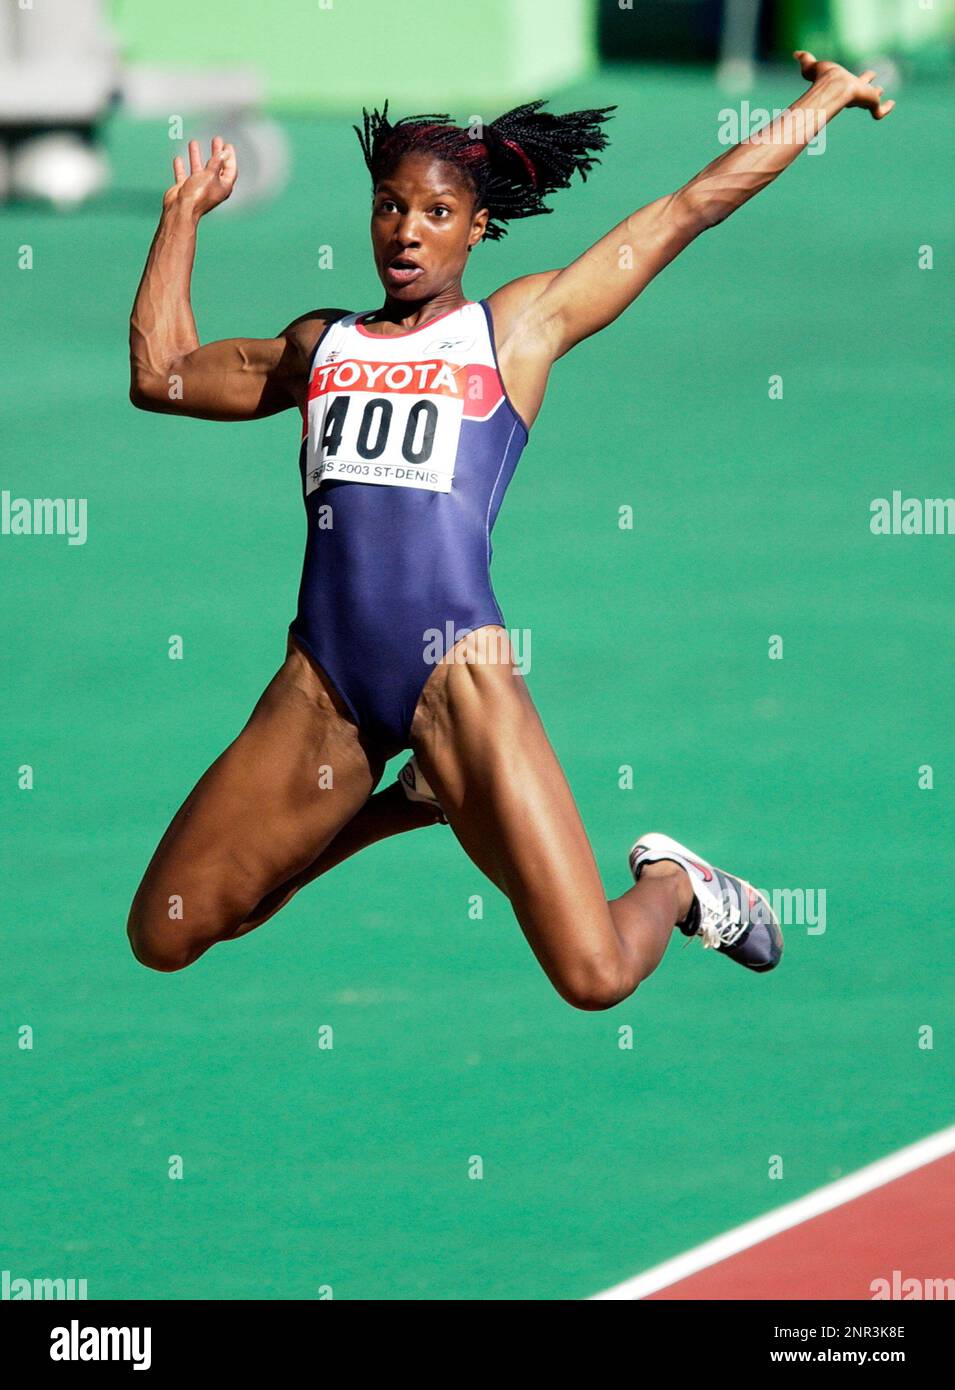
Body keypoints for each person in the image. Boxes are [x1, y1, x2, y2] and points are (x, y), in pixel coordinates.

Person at [126, 53, 893, 1008]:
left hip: (459, 682)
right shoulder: (316, 347)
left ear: (477, 227)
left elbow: (682, 212)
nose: (407, 233)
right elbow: (158, 375)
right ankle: (413, 805)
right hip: (322, 684)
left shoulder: (514, 330)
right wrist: (179, 218)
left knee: (597, 975)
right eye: (389, 208)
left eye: (436, 214)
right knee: (175, 927)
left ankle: (678, 886)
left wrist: (820, 100)